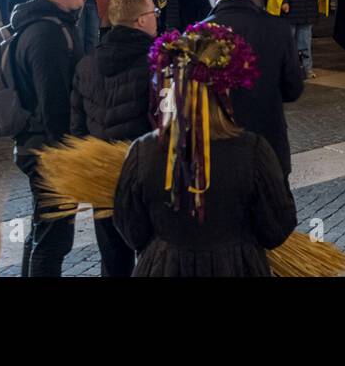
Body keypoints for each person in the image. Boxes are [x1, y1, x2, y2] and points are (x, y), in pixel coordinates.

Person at [113, 22, 297, 277]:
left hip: (163, 267)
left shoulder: (143, 151)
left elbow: (131, 229)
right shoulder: (253, 150)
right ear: (225, 89)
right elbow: (276, 228)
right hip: (237, 267)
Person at [13, 0, 90, 276]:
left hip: (40, 144)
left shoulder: (52, 25)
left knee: (44, 230)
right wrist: (68, 156)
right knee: (54, 239)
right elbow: (55, 101)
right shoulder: (47, 34)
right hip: (49, 149)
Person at [70, 0, 155, 277]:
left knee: (112, 260)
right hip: (145, 177)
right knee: (152, 255)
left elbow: (77, 126)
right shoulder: (156, 63)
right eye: (153, 13)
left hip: (102, 177)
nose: (156, 17)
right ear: (141, 20)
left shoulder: (87, 63)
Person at [202, 0, 303, 176]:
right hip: (269, 141)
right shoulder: (277, 28)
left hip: (221, 147)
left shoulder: (200, 34)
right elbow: (293, 88)